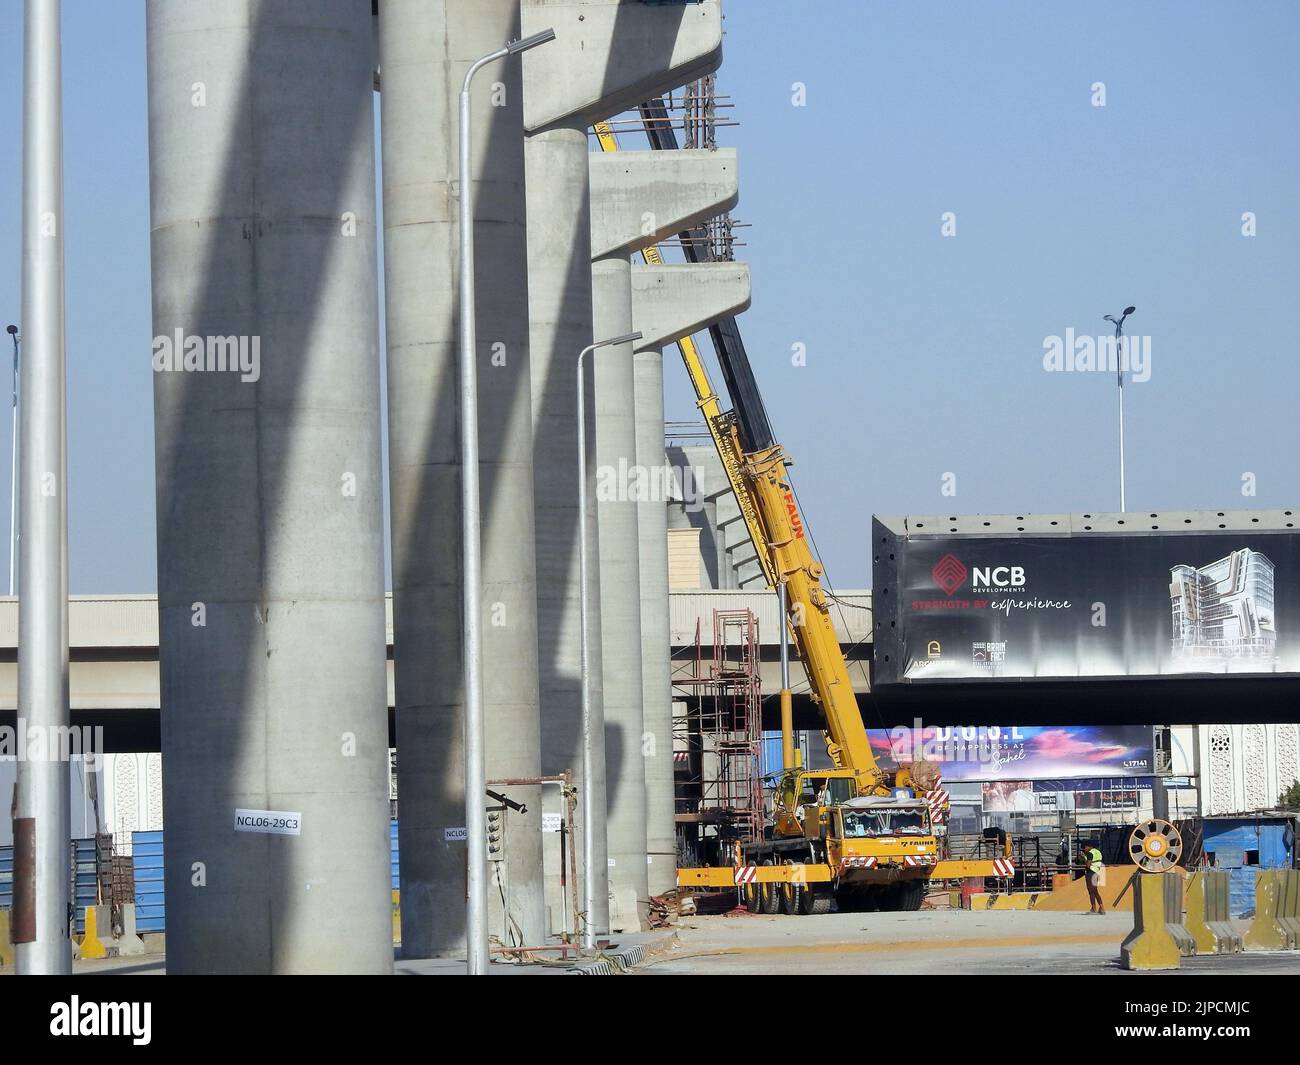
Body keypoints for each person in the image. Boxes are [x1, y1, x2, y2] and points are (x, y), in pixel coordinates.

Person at [1082, 841, 1106, 914]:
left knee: (1091, 891)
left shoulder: (1090, 853)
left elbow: (1088, 865)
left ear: (1088, 846)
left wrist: (1084, 859)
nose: (1084, 850)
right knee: (1095, 891)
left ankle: (1093, 908)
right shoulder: (1098, 852)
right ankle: (1101, 907)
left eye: (1084, 848)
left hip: (1091, 872)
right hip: (1098, 872)